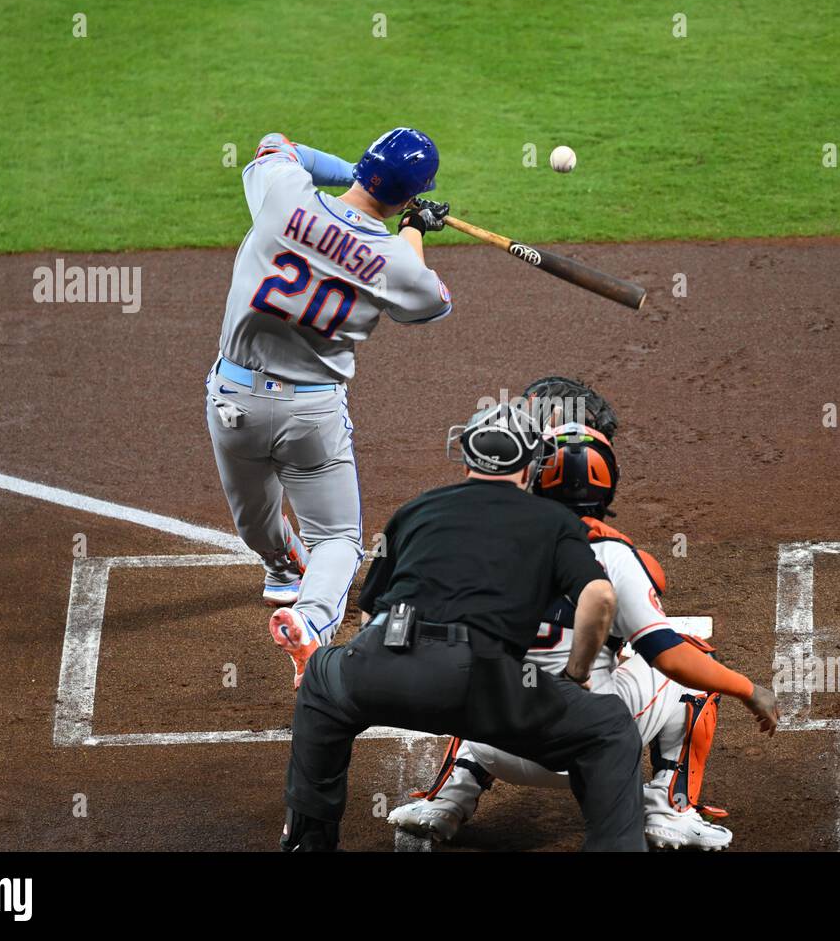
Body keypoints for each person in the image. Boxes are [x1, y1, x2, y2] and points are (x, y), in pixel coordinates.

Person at [389, 380, 779, 850]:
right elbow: (667, 656)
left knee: (478, 663)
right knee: (690, 658)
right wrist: (749, 689)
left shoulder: (482, 540)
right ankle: (672, 808)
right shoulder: (619, 557)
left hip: (493, 742)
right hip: (591, 743)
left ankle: (447, 798)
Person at [280, 403, 648, 851]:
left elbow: (368, 610)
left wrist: (370, 673)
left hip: (380, 658)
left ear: (467, 453)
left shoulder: (416, 508)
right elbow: (600, 597)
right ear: (532, 465)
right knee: (609, 727)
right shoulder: (552, 520)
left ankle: (307, 843)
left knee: (320, 681)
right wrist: (574, 676)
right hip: (477, 680)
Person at [205, 127, 453, 686]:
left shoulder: (284, 192)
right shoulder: (396, 259)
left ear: (365, 167)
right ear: (409, 195)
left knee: (257, 519)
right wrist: (412, 228)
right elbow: (433, 301)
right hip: (309, 416)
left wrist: (358, 177)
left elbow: (274, 142)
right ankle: (310, 618)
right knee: (337, 538)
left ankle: (279, 565)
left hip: (233, 403)